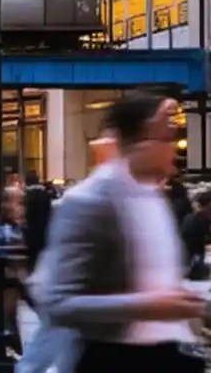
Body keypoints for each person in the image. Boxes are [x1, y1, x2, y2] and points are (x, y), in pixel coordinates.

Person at [40, 91, 207, 371]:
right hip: (113, 359)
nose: (176, 148)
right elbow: (57, 302)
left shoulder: (156, 197)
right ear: (141, 140)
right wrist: (148, 307)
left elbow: (160, 285)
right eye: (167, 137)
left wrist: (187, 300)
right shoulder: (90, 202)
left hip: (170, 355)